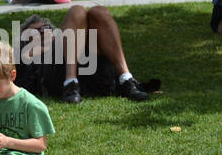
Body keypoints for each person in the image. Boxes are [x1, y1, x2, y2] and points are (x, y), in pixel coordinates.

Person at [18, 8, 151, 104]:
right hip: (57, 78)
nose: (42, 31)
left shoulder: (65, 41)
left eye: (45, 27)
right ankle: (70, 83)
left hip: (97, 78)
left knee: (100, 13)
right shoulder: (27, 58)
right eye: (34, 31)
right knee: (76, 11)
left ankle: (126, 79)